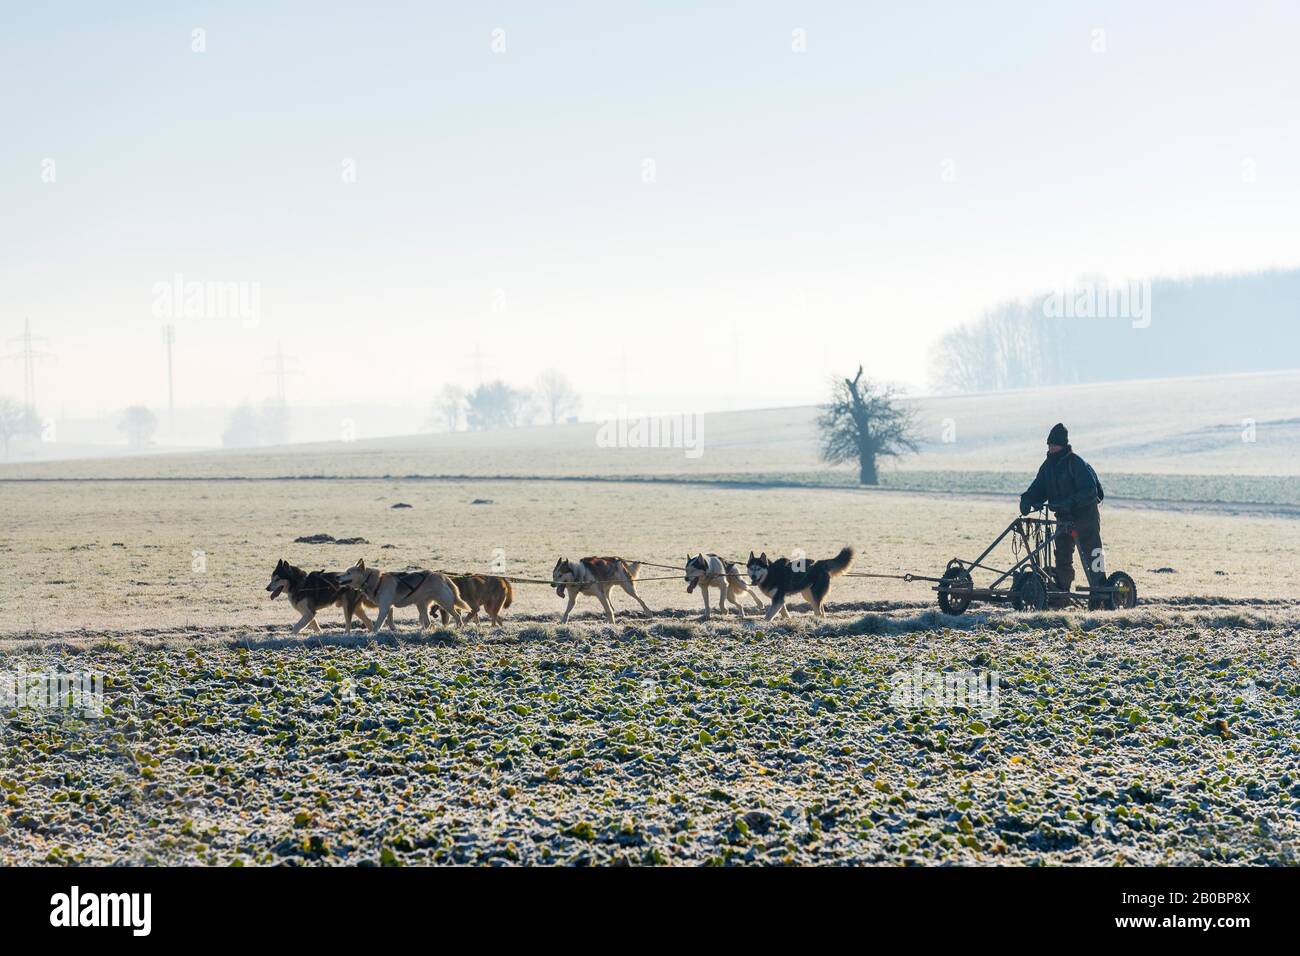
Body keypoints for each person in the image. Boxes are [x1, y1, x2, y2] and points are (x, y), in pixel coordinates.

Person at [1019, 423, 1105, 604]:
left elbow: (1090, 491)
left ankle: (1101, 592)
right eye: (1049, 445)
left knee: (1092, 553)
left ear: (1063, 445)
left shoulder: (1076, 463)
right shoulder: (1048, 467)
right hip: (1063, 518)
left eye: (1054, 445)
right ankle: (1061, 592)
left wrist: (1071, 502)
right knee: (1062, 555)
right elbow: (1038, 487)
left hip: (1085, 518)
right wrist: (1027, 499)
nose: (1051, 448)